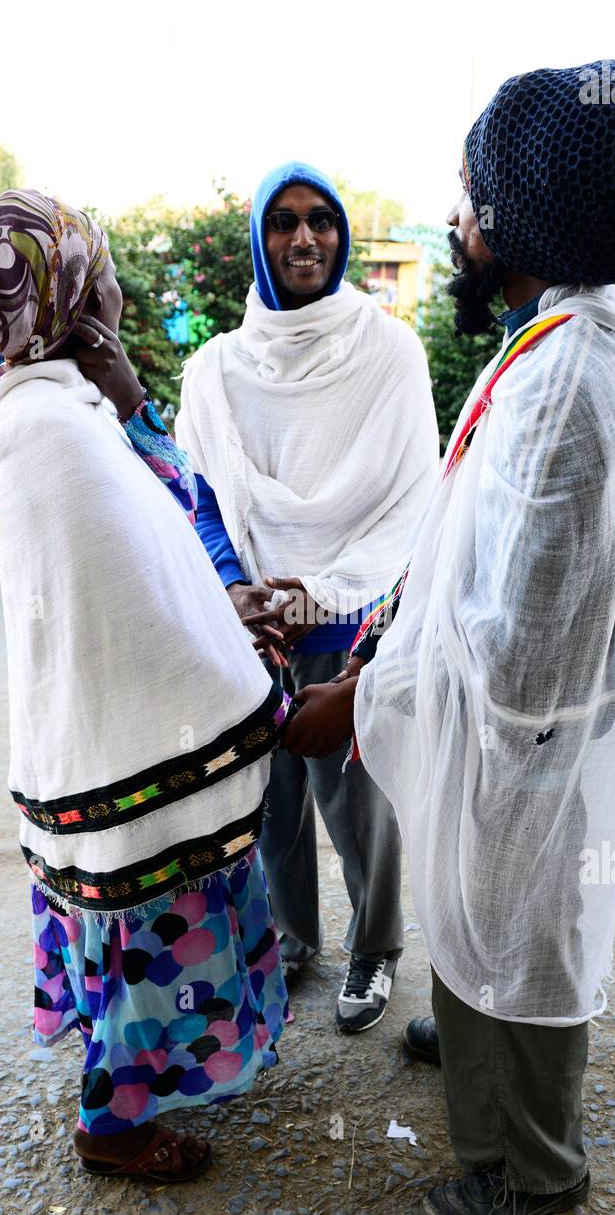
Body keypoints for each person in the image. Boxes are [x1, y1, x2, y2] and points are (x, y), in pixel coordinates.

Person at [280, 61, 615, 1215]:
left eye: (464, 199)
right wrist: (387, 672)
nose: (453, 219)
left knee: (522, 921)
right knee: (488, 917)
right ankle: (476, 1040)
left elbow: (519, 650)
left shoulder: (567, 380)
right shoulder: (550, 346)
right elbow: (474, 563)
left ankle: (529, 1165)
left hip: (524, 749)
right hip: (507, 741)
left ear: (509, 226)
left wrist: (366, 698)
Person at [0, 189, 290, 1182]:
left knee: (131, 930)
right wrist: (251, 676)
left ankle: (132, 1092)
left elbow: (175, 517)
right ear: (63, 287)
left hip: (86, 738)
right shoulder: (57, 429)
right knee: (151, 927)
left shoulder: (40, 404)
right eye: (96, 269)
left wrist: (133, 397)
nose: (109, 284)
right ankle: (116, 1127)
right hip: (127, 745)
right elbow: (148, 594)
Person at [175, 162, 440, 1033]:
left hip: (357, 615)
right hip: (254, 627)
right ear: (259, 237)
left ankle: (375, 950)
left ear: (343, 235)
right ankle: (293, 941)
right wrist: (236, 589)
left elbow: (413, 500)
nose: (304, 238)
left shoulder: (389, 352)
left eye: (321, 220)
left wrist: (329, 590)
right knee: (272, 794)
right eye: (283, 222)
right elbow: (203, 496)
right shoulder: (217, 368)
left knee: (360, 797)